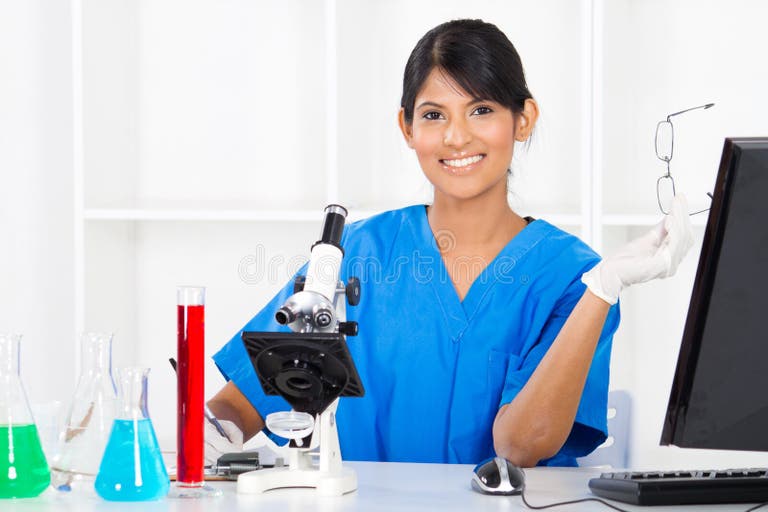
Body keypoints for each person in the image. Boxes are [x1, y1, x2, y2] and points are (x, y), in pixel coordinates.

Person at [205, 19, 694, 468]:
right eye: (434, 114)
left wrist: (604, 288)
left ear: (523, 119)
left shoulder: (573, 276)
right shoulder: (357, 252)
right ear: (407, 128)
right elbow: (245, 399)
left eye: (481, 110)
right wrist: (213, 434)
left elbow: (522, 445)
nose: (457, 137)